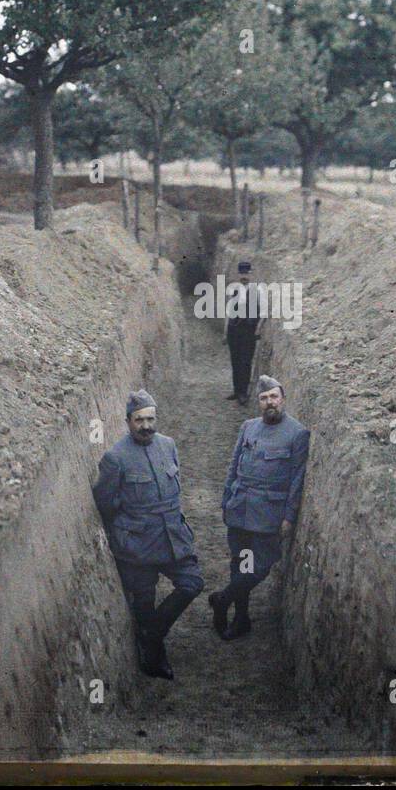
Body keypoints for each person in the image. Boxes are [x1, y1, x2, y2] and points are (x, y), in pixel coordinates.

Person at [92, 390, 203, 679]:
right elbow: (105, 501)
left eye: (150, 419)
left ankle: (150, 634)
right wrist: (128, 528)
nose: (146, 426)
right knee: (144, 599)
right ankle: (153, 658)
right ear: (128, 422)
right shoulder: (115, 458)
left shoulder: (168, 445)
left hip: (172, 537)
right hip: (137, 544)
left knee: (192, 583)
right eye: (139, 420)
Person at [209, 375, 310, 640]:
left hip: (268, 513)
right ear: (259, 403)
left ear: (283, 399)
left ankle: (223, 599)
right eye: (264, 399)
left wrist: (289, 516)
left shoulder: (297, 434)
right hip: (240, 506)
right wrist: (226, 498)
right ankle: (241, 618)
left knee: (261, 565)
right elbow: (233, 466)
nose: (269, 403)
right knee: (240, 563)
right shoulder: (248, 427)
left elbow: (297, 479)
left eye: (274, 397)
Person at [225, 260, 265, 406]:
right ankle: (236, 390)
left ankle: (243, 393)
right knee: (235, 361)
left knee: (245, 362)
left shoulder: (258, 290)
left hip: (249, 330)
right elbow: (228, 312)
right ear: (237, 274)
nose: (244, 276)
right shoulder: (233, 289)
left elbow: (264, 312)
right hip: (234, 329)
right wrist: (225, 332)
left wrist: (258, 329)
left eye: (246, 273)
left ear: (251, 274)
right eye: (241, 273)